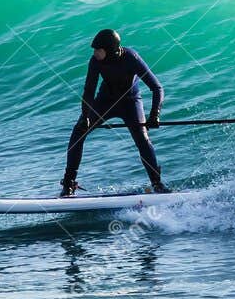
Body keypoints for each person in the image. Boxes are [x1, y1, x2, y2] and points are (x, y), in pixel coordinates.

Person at [60, 28, 170, 196]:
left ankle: (157, 184)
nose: (95, 53)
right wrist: (85, 116)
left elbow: (157, 88)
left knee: (142, 138)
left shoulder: (131, 58)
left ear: (110, 50)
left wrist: (155, 114)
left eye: (98, 50)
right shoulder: (95, 61)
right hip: (105, 101)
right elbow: (89, 90)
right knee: (78, 133)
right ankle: (68, 184)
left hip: (130, 103)